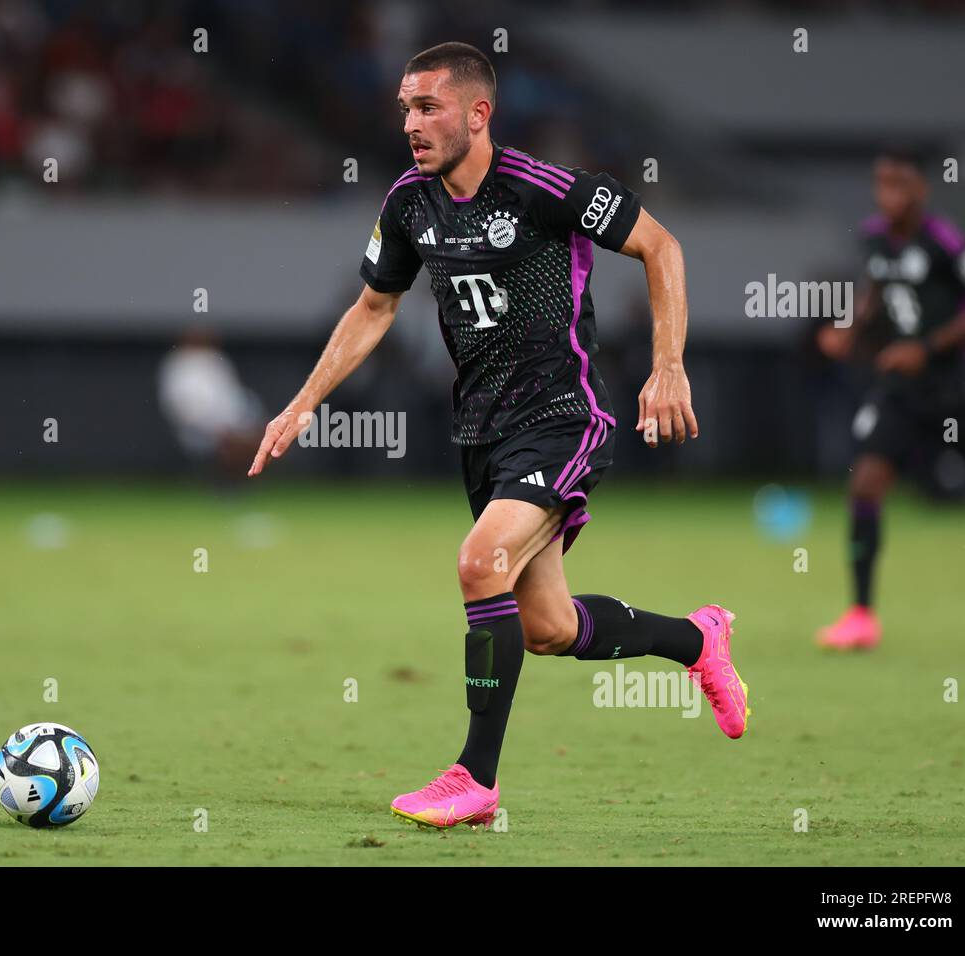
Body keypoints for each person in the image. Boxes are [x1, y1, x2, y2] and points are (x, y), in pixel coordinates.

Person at [247, 42, 747, 829]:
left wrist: (670, 364)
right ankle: (696, 640)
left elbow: (662, 246)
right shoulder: (409, 203)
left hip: (563, 416)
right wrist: (304, 401)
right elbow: (374, 306)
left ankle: (474, 780)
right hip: (482, 433)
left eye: (428, 107)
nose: (411, 123)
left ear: (478, 114)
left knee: (479, 562)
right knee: (547, 629)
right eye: (406, 107)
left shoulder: (541, 188)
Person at [816, 149, 965, 651]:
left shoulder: (946, 241)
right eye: (881, 184)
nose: (888, 195)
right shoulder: (875, 237)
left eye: (898, 184)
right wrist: (851, 329)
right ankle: (860, 616)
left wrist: (926, 347)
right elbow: (878, 288)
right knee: (866, 486)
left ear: (921, 188)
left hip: (956, 387)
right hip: (901, 387)